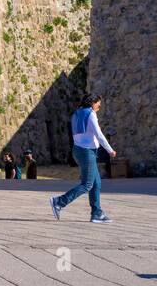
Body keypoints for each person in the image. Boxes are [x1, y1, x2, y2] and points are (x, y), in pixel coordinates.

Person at [50, 94, 116, 224]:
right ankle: (59, 202)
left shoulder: (77, 113)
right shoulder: (90, 114)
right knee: (87, 184)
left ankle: (96, 213)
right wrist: (110, 150)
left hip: (79, 150)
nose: (99, 106)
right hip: (87, 152)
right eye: (98, 103)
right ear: (92, 103)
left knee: (96, 183)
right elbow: (99, 134)